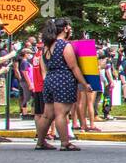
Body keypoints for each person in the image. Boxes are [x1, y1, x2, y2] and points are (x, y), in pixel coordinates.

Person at [32, 18, 91, 151]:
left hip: (49, 80)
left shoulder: (47, 46)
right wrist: (85, 83)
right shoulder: (65, 45)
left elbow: (44, 68)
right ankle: (65, 143)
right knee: (62, 113)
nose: (70, 29)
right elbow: (74, 67)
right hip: (63, 80)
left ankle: (40, 142)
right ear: (65, 29)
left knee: (47, 114)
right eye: (69, 27)